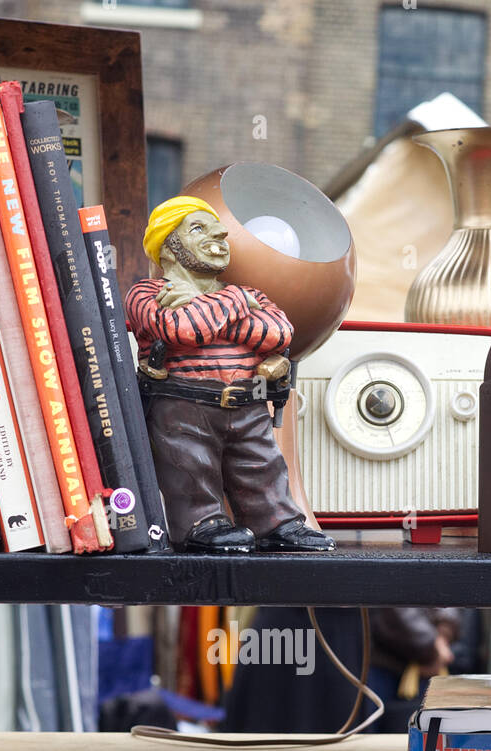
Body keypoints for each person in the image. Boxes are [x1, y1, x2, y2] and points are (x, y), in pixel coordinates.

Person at [125, 197, 334, 554]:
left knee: (262, 465)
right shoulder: (146, 294)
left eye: (218, 230)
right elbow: (183, 328)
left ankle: (275, 524)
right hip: (182, 408)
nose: (220, 233)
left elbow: (279, 331)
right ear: (169, 247)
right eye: (198, 228)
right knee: (190, 468)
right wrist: (237, 303)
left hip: (248, 405)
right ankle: (200, 524)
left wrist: (220, 301)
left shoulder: (248, 292)